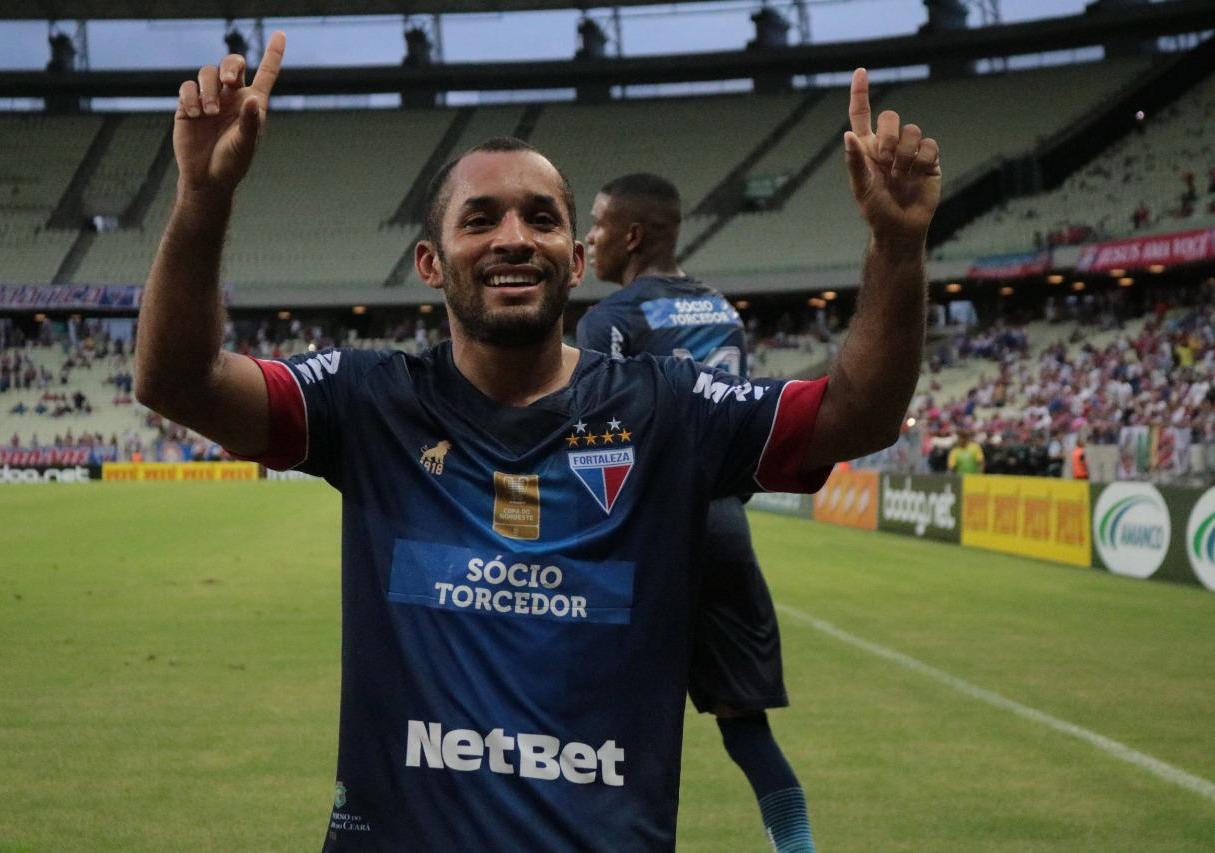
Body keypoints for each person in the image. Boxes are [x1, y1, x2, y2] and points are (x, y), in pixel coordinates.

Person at [136, 33, 940, 851]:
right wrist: (203, 195)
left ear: (579, 259)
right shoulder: (370, 400)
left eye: (542, 218)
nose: (514, 237)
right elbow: (177, 380)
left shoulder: (668, 409)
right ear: (429, 262)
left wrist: (898, 247)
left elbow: (857, 416)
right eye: (480, 218)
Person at [578, 171, 814, 851]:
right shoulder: (720, 310)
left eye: (596, 224)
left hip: (646, 537)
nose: (587, 238)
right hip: (722, 527)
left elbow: (594, 444)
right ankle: (797, 846)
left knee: (597, 726)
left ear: (630, 235)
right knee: (746, 727)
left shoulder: (611, 320)